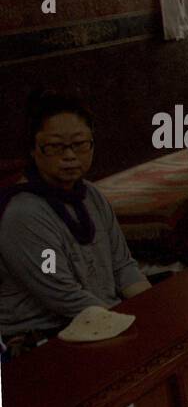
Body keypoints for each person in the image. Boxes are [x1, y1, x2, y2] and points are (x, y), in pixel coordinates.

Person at [0, 92, 150, 360]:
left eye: (80, 144)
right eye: (56, 147)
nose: (69, 156)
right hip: (48, 339)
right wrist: (132, 325)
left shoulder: (91, 195)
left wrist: (154, 310)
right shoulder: (22, 214)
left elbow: (123, 266)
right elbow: (64, 297)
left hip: (106, 317)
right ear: (33, 150)